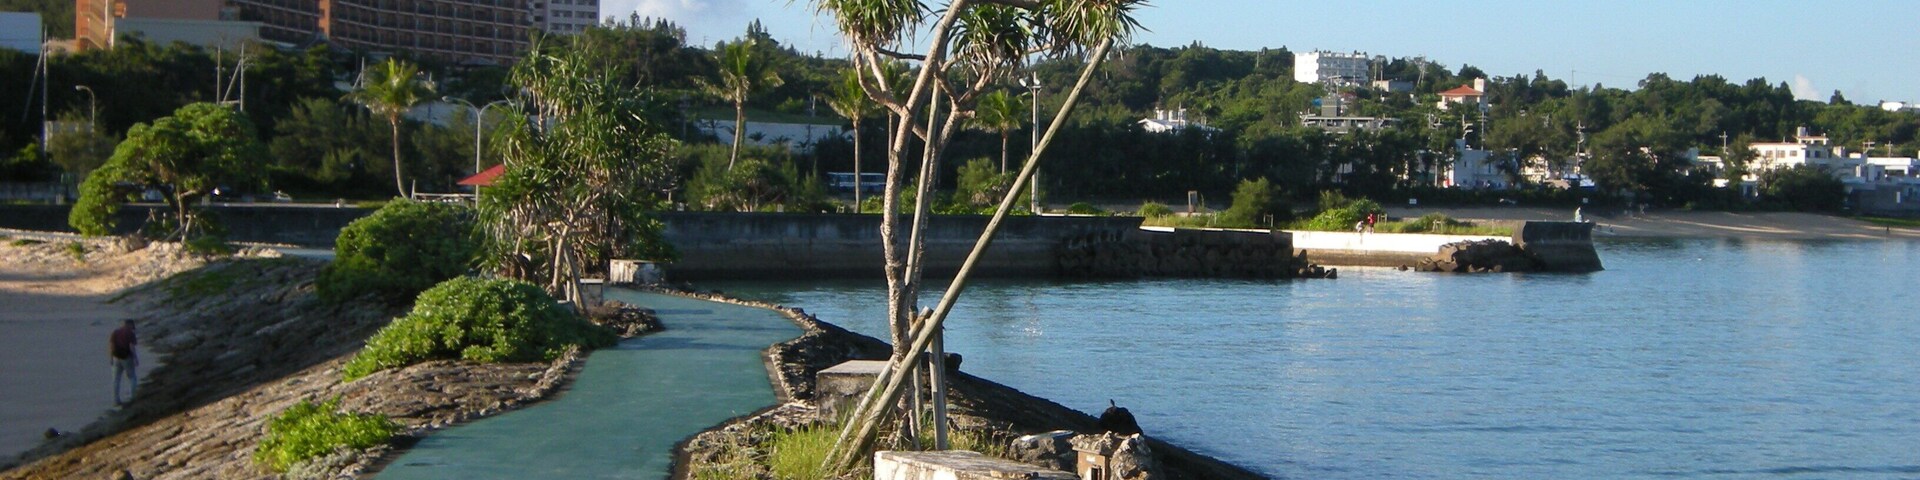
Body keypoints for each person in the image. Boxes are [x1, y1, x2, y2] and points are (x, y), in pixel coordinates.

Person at [109, 319, 137, 405]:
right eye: (132, 325)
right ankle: (133, 397)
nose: (133, 328)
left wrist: (111, 358)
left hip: (116, 356)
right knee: (132, 377)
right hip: (126, 357)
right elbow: (131, 346)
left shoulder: (115, 332)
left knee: (116, 379)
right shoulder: (130, 333)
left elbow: (111, 346)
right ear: (129, 324)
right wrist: (135, 358)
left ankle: (116, 400)